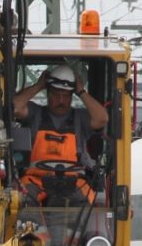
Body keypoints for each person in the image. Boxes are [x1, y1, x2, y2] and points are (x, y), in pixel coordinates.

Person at [12, 63, 109, 208]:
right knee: (20, 200)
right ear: (47, 93)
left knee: (86, 204)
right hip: (35, 179)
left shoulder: (80, 118)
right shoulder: (35, 113)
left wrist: (81, 91)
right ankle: (31, 230)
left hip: (74, 180)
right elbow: (15, 108)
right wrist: (38, 86)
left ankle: (77, 231)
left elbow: (102, 119)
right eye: (56, 95)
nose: (61, 101)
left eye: (65, 96)